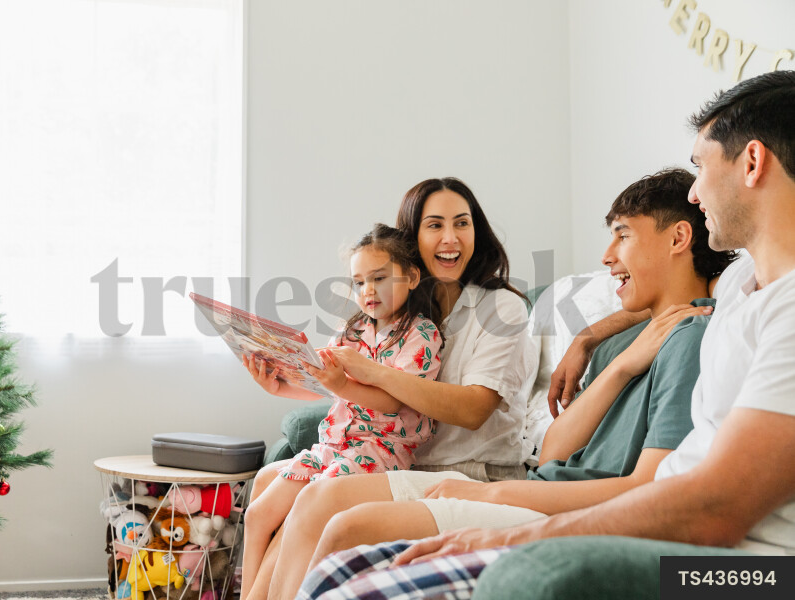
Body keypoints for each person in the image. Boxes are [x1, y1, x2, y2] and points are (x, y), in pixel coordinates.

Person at [297, 70, 795, 600]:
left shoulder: (771, 315)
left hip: (744, 572)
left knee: (363, 579)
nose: (694, 192)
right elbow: (690, 295)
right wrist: (592, 338)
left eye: (700, 166)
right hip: (641, 512)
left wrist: (516, 533)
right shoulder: (743, 281)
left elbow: (712, 511)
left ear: (752, 162)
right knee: (336, 571)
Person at [297, 167, 733, 575]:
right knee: (298, 502)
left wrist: (491, 492)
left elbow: (650, 486)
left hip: (525, 493)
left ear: (679, 238)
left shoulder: (691, 338)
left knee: (341, 525)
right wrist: (610, 359)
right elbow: (553, 454)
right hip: (540, 482)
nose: (606, 256)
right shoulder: (615, 345)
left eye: (621, 235)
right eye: (434, 225)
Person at [251, 177, 538, 600]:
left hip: (471, 471)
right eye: (435, 225)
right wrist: (287, 384)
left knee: (313, 502)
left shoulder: (500, 308)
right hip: (406, 467)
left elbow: (475, 409)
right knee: (269, 484)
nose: (451, 238)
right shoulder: (390, 312)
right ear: (412, 242)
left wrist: (373, 373)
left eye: (462, 223)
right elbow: (348, 391)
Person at [240, 224, 444, 599]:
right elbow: (325, 387)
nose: (368, 290)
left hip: (376, 454)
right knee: (257, 515)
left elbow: (394, 401)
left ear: (412, 277)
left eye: (379, 278)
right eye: (359, 282)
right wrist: (279, 386)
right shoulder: (352, 331)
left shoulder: (421, 334)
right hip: (331, 447)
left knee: (298, 515)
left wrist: (342, 385)